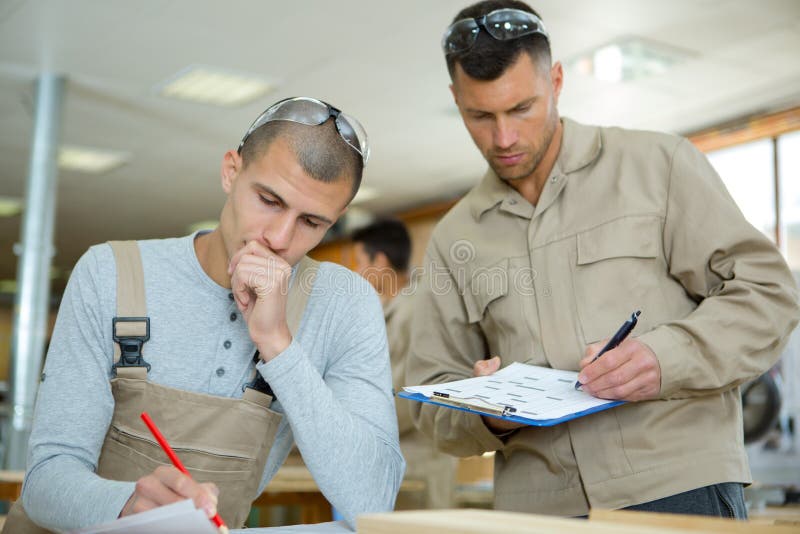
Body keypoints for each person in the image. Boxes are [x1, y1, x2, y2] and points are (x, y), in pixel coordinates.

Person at [406, 0, 800, 519]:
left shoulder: (657, 165)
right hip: (538, 511)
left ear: (558, 81)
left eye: (522, 108)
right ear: (456, 100)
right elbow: (428, 402)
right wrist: (489, 416)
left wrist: (665, 357)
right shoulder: (454, 237)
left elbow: (770, 292)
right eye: (480, 116)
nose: (504, 138)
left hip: (679, 486)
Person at [10, 97, 404, 532]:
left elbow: (373, 499)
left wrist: (277, 345)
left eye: (311, 222)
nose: (278, 238)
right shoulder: (108, 273)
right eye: (269, 200)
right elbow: (45, 480)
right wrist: (126, 503)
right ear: (231, 172)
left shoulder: (344, 303)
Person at [352, 219, 457, 510]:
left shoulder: (415, 312)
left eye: (360, 261)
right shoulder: (395, 309)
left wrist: (358, 432)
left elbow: (409, 392)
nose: (357, 271)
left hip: (419, 462)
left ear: (381, 261)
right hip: (401, 459)